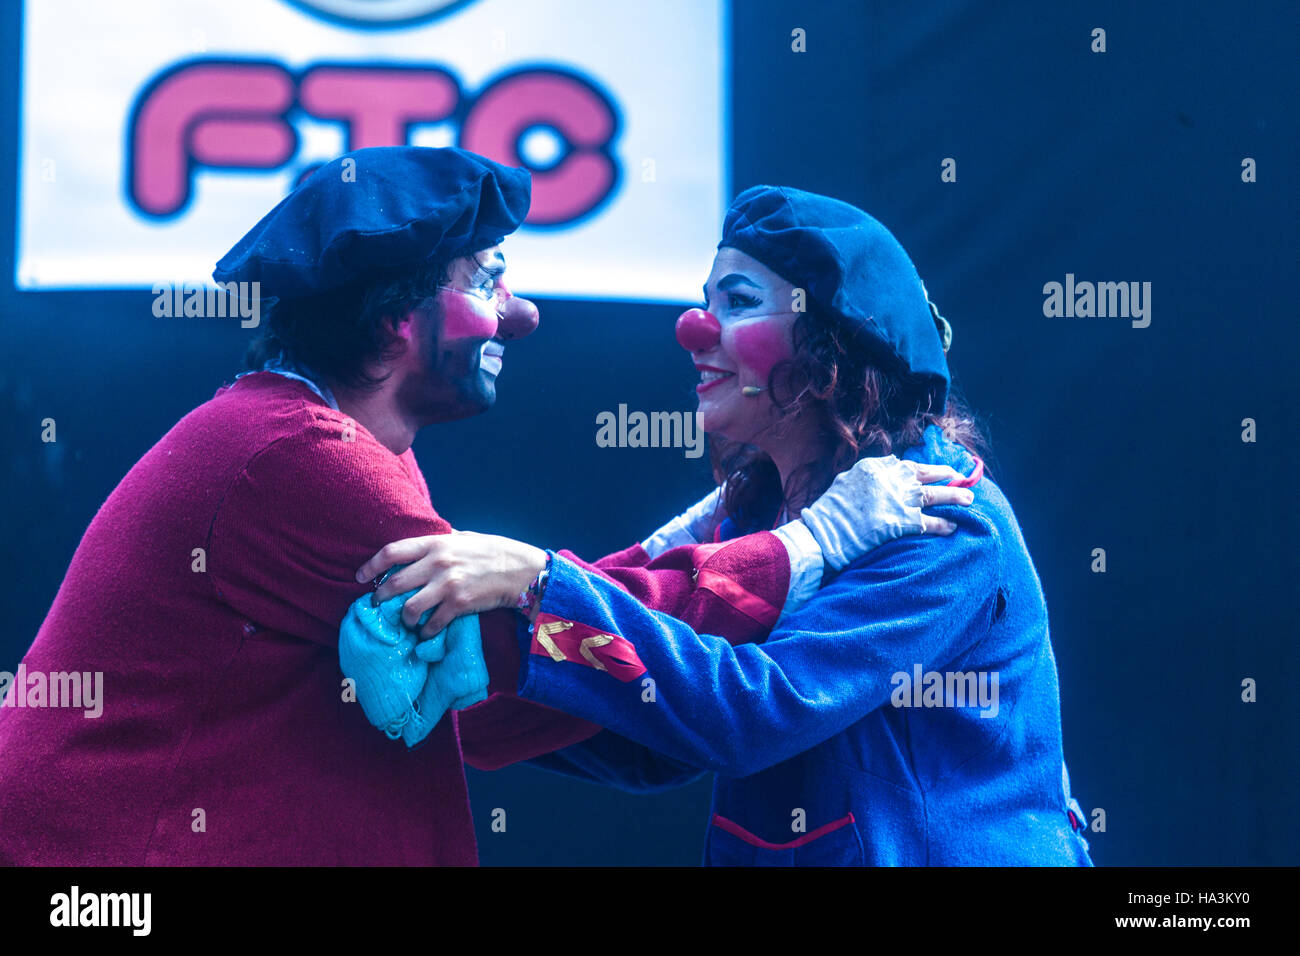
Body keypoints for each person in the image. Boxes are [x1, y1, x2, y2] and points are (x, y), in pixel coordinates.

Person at [0, 148, 961, 865]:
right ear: (393, 319)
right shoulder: (300, 457)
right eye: (492, 279)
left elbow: (525, 661)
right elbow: (521, 659)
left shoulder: (948, 519)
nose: (521, 315)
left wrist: (665, 551)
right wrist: (811, 541)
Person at [354, 185, 1094, 866]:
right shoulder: (759, 507)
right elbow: (660, 744)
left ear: (830, 345)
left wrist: (539, 588)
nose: (694, 330)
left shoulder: (943, 516)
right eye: (706, 299)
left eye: (737, 301)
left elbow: (756, 710)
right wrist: (477, 690)